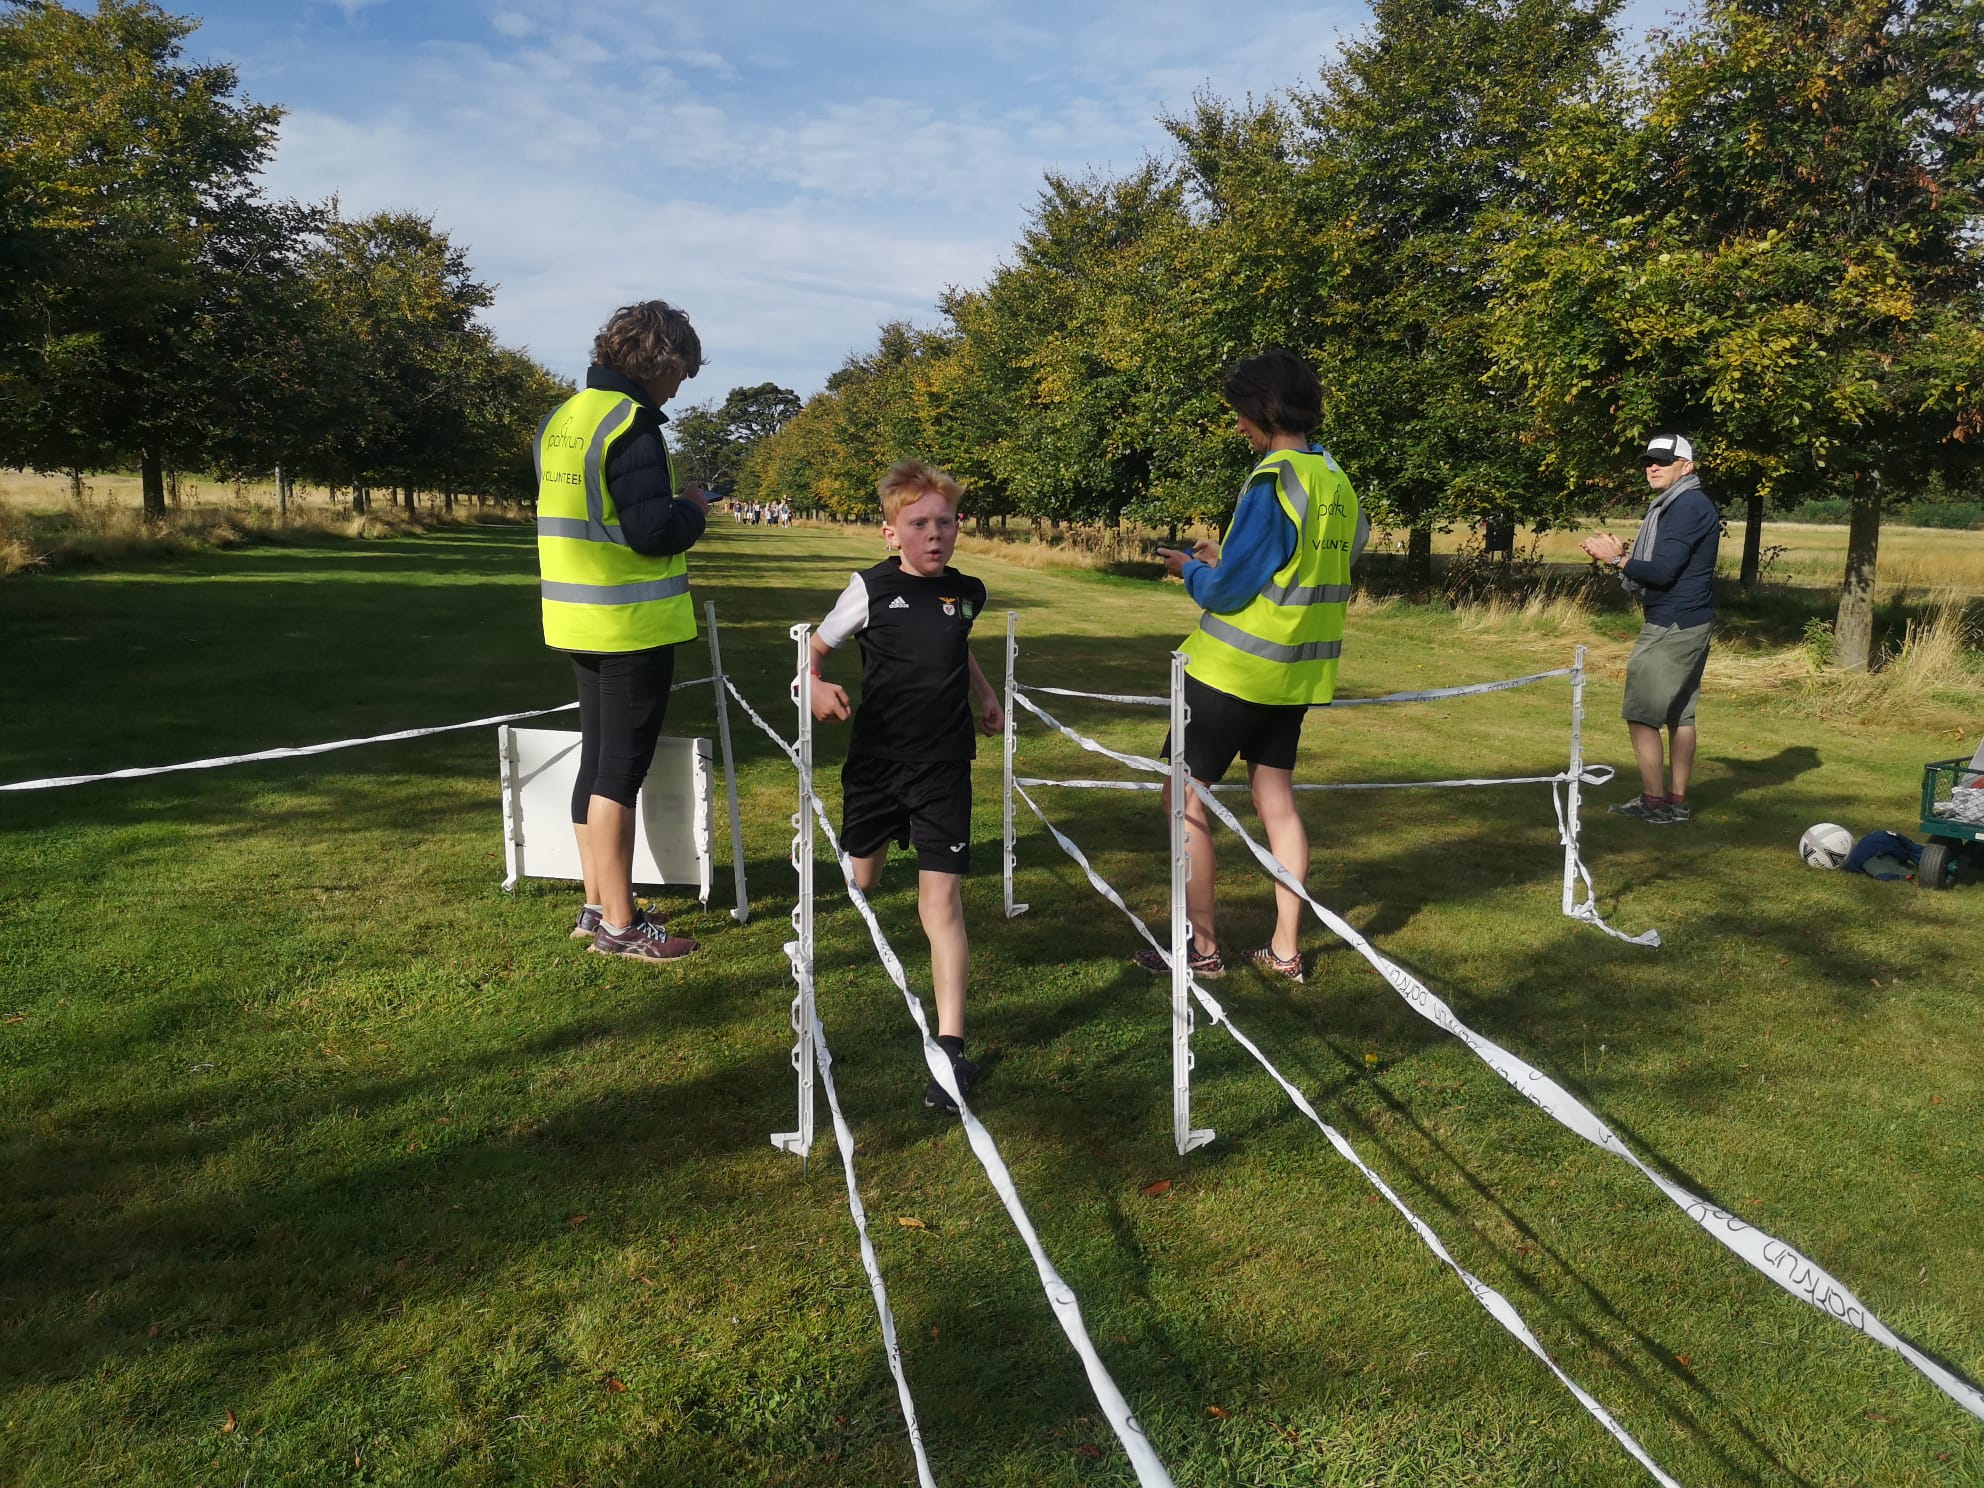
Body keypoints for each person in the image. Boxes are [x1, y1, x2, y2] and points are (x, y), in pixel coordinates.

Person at [1140, 350, 1364, 985]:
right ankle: (1285, 950)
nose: (1237, 424)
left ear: (1263, 408)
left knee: (1182, 800)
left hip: (1233, 670)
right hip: (1296, 676)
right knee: (1278, 803)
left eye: (1241, 412)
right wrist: (1230, 554)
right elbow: (1335, 551)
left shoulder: (1273, 478)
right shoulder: (1333, 476)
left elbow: (1227, 592)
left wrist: (1194, 570)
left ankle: (1200, 948)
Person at [806, 461, 1004, 1111]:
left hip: (944, 766)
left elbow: (956, 642)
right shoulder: (868, 590)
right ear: (891, 532)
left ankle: (950, 1050)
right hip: (876, 766)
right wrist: (813, 684)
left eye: (944, 522)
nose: (933, 534)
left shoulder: (967, 591)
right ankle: (807, 980)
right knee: (860, 886)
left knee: (939, 905)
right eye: (918, 524)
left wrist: (986, 695)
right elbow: (816, 645)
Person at [536, 300, 717, 961]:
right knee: (620, 770)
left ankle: (599, 904)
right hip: (628, 623)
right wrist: (692, 509)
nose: (682, 387)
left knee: (598, 759)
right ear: (660, 360)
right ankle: (622, 928)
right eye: (682, 372)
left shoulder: (565, 419)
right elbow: (650, 532)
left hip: (575, 616)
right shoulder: (633, 426)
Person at [1578, 433, 1721, 824]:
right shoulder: (1683, 503)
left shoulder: (1686, 506)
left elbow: (1662, 571)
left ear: (1686, 466)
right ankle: (1676, 802)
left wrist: (1618, 558)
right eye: (1648, 461)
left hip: (1673, 623)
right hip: (1690, 619)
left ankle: (1655, 804)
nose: (1652, 467)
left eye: (1662, 460)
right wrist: (1620, 557)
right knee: (1680, 714)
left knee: (1642, 713)